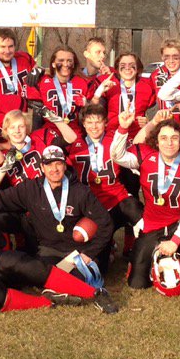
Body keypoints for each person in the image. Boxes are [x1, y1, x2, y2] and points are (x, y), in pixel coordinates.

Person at [0, 145, 118, 311]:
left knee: (77, 278)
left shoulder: (81, 192)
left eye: (58, 164)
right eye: (49, 164)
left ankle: (64, 291)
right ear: (42, 167)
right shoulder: (31, 189)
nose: (54, 169)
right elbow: (2, 198)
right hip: (48, 250)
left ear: (65, 165)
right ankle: (57, 292)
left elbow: (106, 223)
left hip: (77, 251)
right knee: (39, 275)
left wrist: (89, 253)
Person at [112, 111, 180, 296]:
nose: (169, 143)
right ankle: (148, 255)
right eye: (164, 138)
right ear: (156, 140)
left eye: (174, 138)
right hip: (153, 224)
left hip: (179, 220)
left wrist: (176, 241)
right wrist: (123, 128)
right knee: (137, 283)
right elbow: (117, 155)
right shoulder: (147, 155)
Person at [65, 103, 144, 265]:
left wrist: (151, 123)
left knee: (137, 212)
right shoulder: (74, 144)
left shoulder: (114, 139)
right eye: (89, 122)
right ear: (83, 124)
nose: (94, 126)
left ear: (105, 123)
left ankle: (140, 254)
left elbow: (137, 144)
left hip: (116, 198)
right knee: (99, 262)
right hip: (91, 205)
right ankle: (108, 246)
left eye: (98, 122)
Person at [93, 52, 157, 125]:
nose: (127, 68)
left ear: (138, 68)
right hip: (113, 130)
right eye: (123, 65)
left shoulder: (147, 86)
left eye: (131, 65)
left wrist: (149, 122)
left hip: (139, 130)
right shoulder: (108, 83)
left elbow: (153, 114)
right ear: (117, 68)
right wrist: (98, 94)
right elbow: (93, 112)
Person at [37, 46, 91, 123]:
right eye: (61, 60)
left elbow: (94, 111)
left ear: (73, 64)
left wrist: (87, 105)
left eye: (69, 61)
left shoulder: (83, 82)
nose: (65, 64)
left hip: (74, 128)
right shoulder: (42, 81)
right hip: (50, 127)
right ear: (53, 64)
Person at [0, 27, 38, 103]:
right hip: (2, 109)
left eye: (10, 46)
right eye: (3, 47)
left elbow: (44, 70)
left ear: (15, 46)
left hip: (26, 108)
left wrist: (39, 70)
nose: (7, 51)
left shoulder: (24, 58)